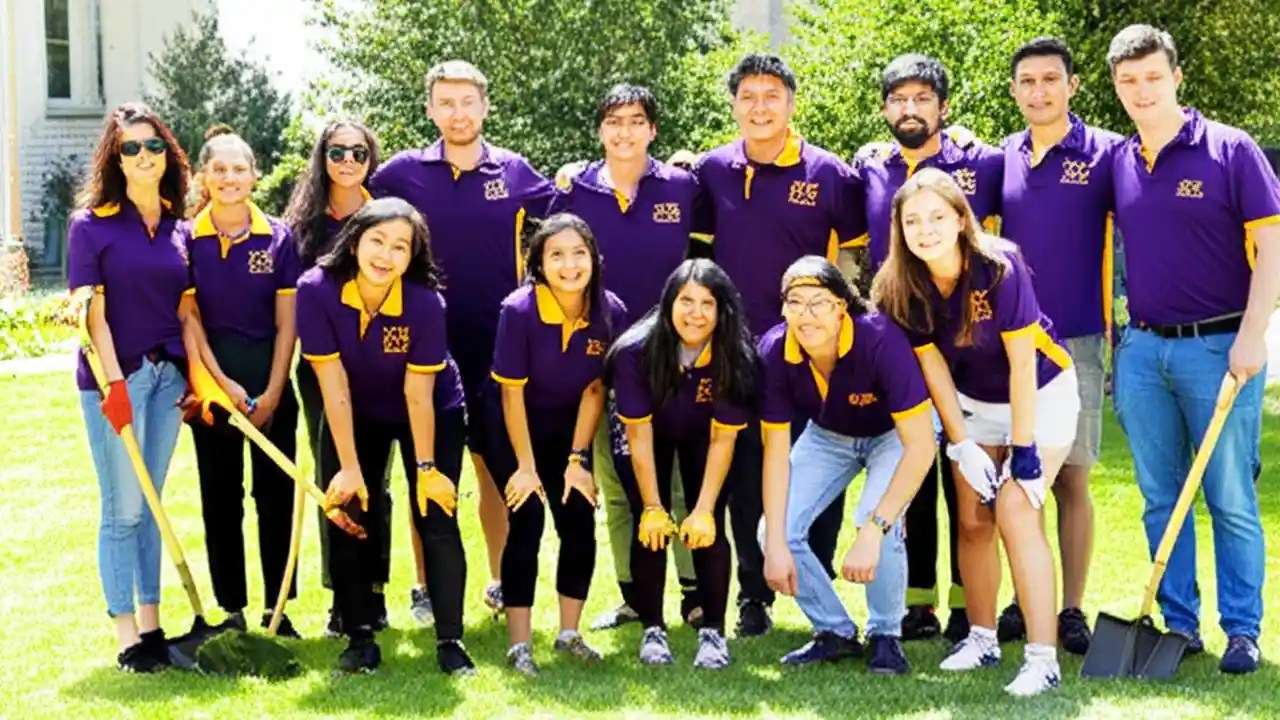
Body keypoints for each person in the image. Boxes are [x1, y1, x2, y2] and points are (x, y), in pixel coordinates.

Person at [1108, 24, 1279, 674]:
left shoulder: (1230, 150)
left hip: (1220, 349)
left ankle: (1242, 630)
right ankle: (1179, 626)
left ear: (1176, 77)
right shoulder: (1120, 163)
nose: (1142, 90)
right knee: (1159, 495)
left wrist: (1253, 336)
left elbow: (1273, 250)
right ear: (1117, 87)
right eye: (1128, 81)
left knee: (1229, 494)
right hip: (1144, 351)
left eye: (1153, 77)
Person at [873, 168, 1079, 697]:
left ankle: (1042, 658)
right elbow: (934, 367)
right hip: (973, 404)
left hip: (1040, 391)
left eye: (937, 217)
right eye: (912, 221)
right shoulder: (900, 283)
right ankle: (982, 638)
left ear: (962, 218)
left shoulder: (998, 264)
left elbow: (1021, 360)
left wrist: (1025, 447)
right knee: (971, 517)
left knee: (1015, 507)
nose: (925, 230)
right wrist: (961, 444)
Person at [689, 53, 866, 637]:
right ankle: (752, 596)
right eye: (748, 96)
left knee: (821, 466)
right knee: (745, 478)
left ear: (791, 103)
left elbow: (852, 260)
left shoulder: (831, 174)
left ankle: (813, 587)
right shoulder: (712, 171)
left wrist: (839, 333)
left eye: (772, 95)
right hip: (739, 352)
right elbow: (701, 259)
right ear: (734, 104)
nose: (759, 106)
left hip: (813, 351)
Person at [369, 61, 556, 614]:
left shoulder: (515, 171)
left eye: (467, 102)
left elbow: (565, 224)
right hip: (421, 344)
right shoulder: (400, 174)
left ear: (485, 107)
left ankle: (500, 582)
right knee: (426, 467)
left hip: (495, 346)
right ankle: (425, 588)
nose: (457, 113)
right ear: (430, 109)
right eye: (445, 103)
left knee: (492, 469)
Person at [854, 53, 1003, 644]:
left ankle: (971, 603)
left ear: (943, 107)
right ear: (886, 107)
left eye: (921, 99)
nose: (909, 109)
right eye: (898, 99)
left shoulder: (982, 162)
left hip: (968, 343)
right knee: (911, 470)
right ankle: (918, 604)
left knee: (965, 481)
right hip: (899, 343)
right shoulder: (867, 166)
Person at [548, 84, 704, 631]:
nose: (625, 131)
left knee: (680, 484)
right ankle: (635, 595)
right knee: (616, 486)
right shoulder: (572, 190)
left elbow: (703, 268)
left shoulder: (683, 185)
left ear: (653, 130)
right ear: (599, 130)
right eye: (613, 121)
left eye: (637, 121)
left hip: (675, 353)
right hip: (601, 359)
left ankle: (694, 595)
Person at [296, 197, 473, 675]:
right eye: (377, 240)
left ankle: (451, 643)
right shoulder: (314, 290)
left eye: (401, 246)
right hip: (355, 410)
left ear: (413, 255)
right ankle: (359, 637)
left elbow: (419, 393)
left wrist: (427, 470)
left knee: (435, 515)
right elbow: (332, 386)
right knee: (350, 512)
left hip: (432, 408)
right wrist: (349, 468)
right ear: (354, 241)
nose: (386, 254)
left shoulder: (424, 301)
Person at [67, 102, 212, 671]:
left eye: (153, 146)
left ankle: (154, 629)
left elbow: (187, 311)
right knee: (122, 509)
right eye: (131, 148)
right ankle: (127, 637)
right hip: (117, 380)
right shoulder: (91, 224)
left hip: (167, 380)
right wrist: (113, 385)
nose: (143, 156)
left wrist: (196, 377)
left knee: (152, 506)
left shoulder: (180, 225)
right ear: (115, 158)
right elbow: (91, 316)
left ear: (166, 153)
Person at [996, 37, 1124, 653]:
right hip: (1011, 341)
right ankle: (1027, 598)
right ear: (1015, 90)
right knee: (1020, 479)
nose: (1039, 91)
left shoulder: (1106, 154)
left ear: (1072, 86)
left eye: (1051, 80)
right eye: (1028, 81)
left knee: (1072, 477)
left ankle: (1070, 608)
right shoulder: (1003, 159)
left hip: (1077, 339)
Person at [285, 121, 435, 635]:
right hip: (325, 370)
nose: (347, 160)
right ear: (321, 156)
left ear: (372, 158)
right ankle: (341, 598)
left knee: (382, 483)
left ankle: (374, 591)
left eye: (358, 151)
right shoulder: (301, 224)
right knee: (340, 476)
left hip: (388, 364)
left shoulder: (387, 213)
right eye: (336, 151)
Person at [760, 256, 935, 675]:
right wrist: (776, 545)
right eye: (795, 302)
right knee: (774, 530)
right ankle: (834, 630)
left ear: (842, 305)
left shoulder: (879, 339)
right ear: (782, 308)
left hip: (894, 433)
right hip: (829, 435)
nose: (807, 314)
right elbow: (776, 452)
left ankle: (886, 636)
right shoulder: (773, 351)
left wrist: (874, 530)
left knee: (876, 516)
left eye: (819, 301)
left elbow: (922, 446)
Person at [485, 213, 626, 676]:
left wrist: (577, 460)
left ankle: (569, 635)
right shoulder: (518, 310)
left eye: (579, 253)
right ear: (538, 263)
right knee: (526, 517)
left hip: (570, 429)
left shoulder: (610, 311)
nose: (569, 265)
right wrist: (525, 467)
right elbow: (511, 393)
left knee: (578, 515)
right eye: (557, 255)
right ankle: (520, 644)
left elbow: (594, 391)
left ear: (594, 258)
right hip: (512, 425)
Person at [607, 258, 755, 669]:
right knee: (647, 523)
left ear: (722, 309)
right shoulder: (634, 352)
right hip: (646, 433)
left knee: (709, 523)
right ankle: (652, 628)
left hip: (704, 436)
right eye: (686, 301)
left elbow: (724, 437)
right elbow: (638, 434)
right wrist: (654, 507)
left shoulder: (735, 356)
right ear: (669, 302)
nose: (696, 313)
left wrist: (704, 509)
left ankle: (713, 632)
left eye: (707, 303)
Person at [183, 126, 302, 637]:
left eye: (239, 169)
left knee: (275, 498)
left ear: (255, 176)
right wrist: (220, 383)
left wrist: (273, 392)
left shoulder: (278, 238)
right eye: (219, 169)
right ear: (203, 177)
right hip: (212, 393)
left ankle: (279, 610)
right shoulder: (185, 240)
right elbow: (189, 321)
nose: (229, 178)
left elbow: (288, 324)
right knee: (220, 498)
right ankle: (230, 608)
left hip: (270, 383)